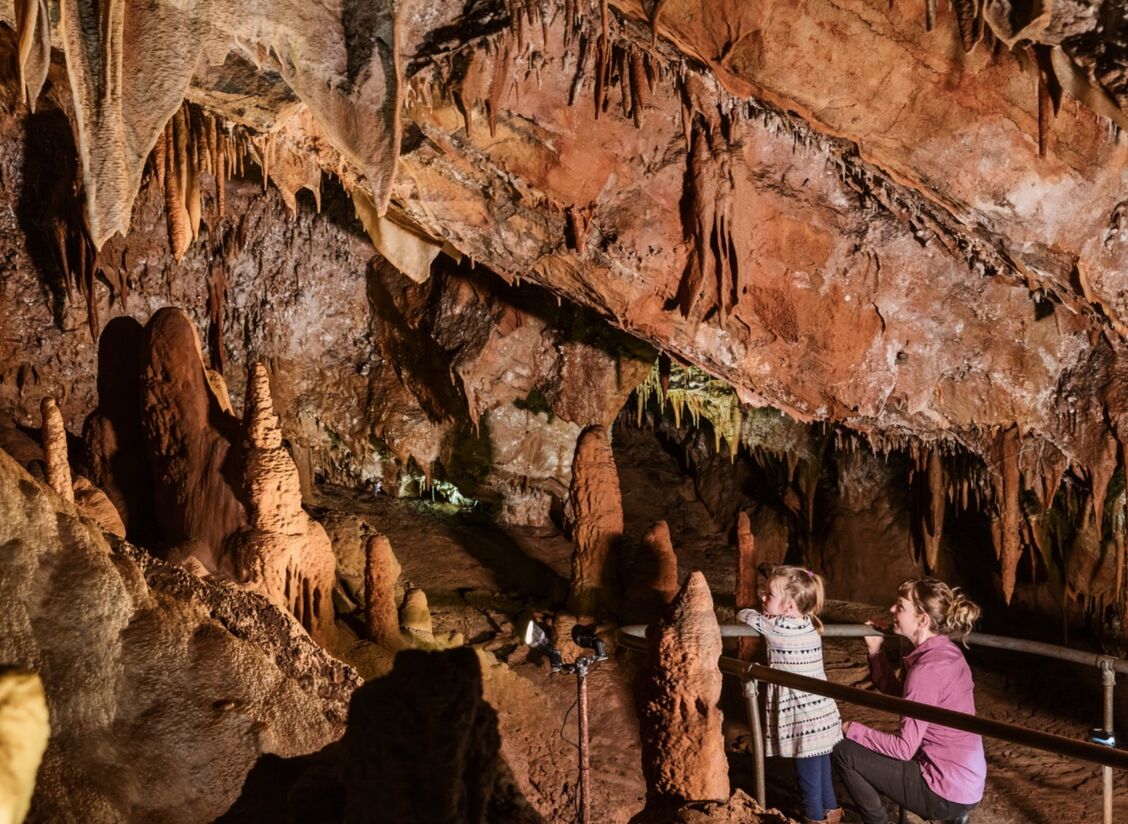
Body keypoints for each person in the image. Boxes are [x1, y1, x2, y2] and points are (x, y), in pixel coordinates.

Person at [833, 577, 985, 824]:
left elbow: (903, 749)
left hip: (945, 791)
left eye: (901, 606)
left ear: (922, 619)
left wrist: (851, 728)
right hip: (967, 781)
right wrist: (875, 651)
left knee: (844, 752)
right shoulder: (947, 653)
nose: (892, 609)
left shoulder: (927, 669)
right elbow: (902, 694)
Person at [737, 565, 843, 824]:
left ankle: (814, 818)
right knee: (821, 766)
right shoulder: (808, 622)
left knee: (807, 776)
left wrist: (751, 609)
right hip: (822, 712)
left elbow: (744, 615)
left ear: (788, 606)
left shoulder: (777, 626)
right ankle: (833, 814)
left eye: (769, 594)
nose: (763, 598)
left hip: (802, 717)